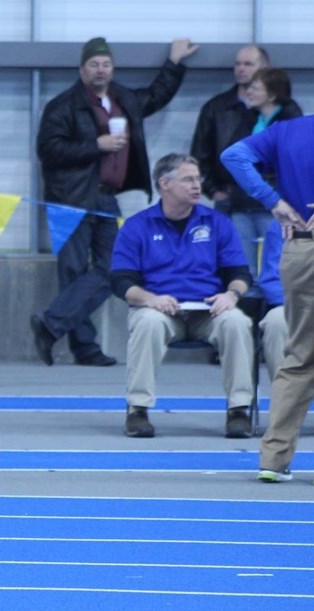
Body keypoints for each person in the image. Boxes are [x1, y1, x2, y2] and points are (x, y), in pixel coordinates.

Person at [32, 36, 198, 367]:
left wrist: (175, 63)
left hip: (107, 199)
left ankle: (51, 324)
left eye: (106, 64)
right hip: (70, 200)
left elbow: (155, 96)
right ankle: (85, 348)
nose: (100, 70)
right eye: (94, 64)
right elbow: (48, 151)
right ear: (82, 69)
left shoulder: (124, 100)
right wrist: (97, 144)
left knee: (114, 268)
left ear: (113, 68)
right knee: (73, 272)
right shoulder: (62, 106)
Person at [110, 153, 254, 439]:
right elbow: (120, 281)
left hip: (208, 311)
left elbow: (240, 273)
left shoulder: (218, 223)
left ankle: (239, 410)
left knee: (236, 322)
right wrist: (150, 299)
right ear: (164, 184)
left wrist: (232, 295)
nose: (197, 186)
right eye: (188, 179)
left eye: (198, 179)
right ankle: (137, 409)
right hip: (161, 311)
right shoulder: (137, 226)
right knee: (147, 323)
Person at [220, 114, 314, 483]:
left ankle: (273, 459)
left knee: (299, 356)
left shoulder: (287, 130)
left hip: (299, 249)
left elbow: (233, 156)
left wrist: (272, 200)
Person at [190, 48, 303, 291]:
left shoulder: (291, 117)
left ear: (271, 94)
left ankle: (276, 322)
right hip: (240, 201)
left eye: (255, 87)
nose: (248, 91)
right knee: (242, 269)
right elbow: (222, 155)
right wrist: (216, 190)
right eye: (237, 64)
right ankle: (249, 323)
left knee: (276, 269)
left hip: (277, 204)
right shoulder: (246, 115)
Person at [257, 220, 287, 381]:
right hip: (294, 305)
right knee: (276, 320)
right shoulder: (279, 226)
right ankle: (284, 396)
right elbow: (271, 279)